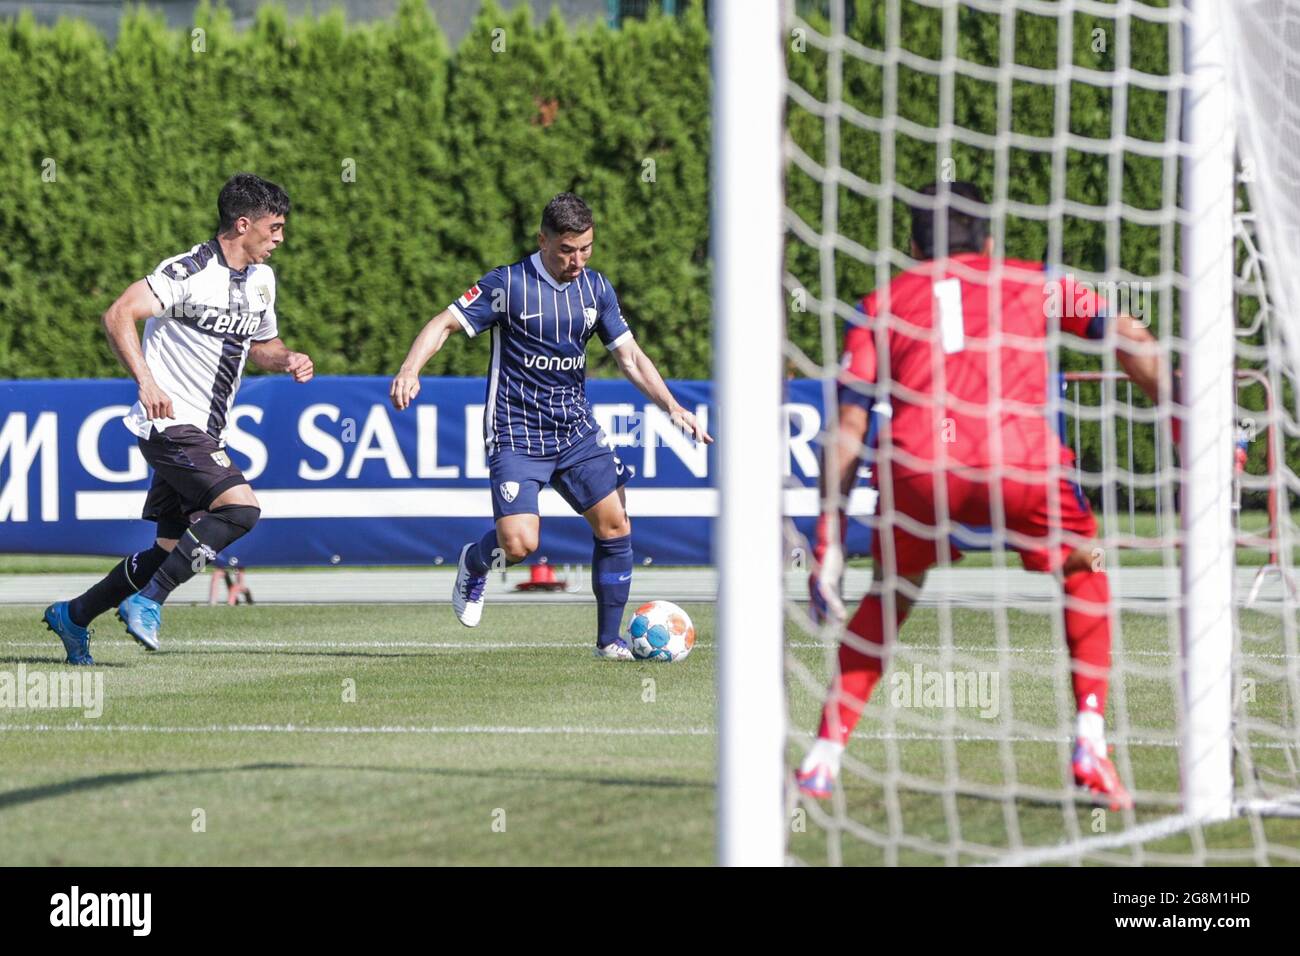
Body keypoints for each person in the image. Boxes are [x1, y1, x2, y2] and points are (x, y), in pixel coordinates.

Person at [799, 181, 1166, 809]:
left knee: (890, 593)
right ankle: (1089, 741)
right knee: (1086, 570)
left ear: (914, 246)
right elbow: (1129, 336)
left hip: (920, 466)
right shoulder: (1035, 278)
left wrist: (827, 537)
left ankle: (822, 760)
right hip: (1019, 460)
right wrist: (1187, 409)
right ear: (990, 241)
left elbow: (850, 429)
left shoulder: (881, 303)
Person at [391, 193, 711, 659]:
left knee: (616, 523)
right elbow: (444, 324)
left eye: (586, 249)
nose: (577, 260)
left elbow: (630, 357)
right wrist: (409, 369)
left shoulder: (597, 289)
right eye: (567, 250)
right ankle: (474, 563)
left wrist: (671, 406)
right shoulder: (508, 284)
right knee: (519, 544)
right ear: (542, 240)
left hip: (575, 430)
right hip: (517, 431)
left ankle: (608, 641)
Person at [43, 173, 313, 662]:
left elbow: (261, 345)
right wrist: (146, 382)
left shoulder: (262, 281)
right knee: (241, 509)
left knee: (168, 549)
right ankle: (149, 602)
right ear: (243, 223)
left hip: (207, 430)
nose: (280, 239)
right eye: (274, 228)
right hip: (169, 426)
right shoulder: (189, 270)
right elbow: (119, 314)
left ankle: (74, 614)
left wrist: (287, 357)